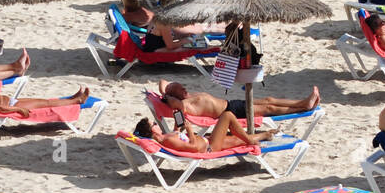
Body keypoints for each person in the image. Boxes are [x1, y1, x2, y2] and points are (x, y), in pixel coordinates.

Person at [158, 79, 319, 120]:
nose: (185, 89)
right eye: (181, 89)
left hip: (232, 104)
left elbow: (162, 82)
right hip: (231, 113)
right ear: (175, 95)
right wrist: (167, 96)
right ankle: (304, 107)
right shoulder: (184, 104)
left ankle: (303, 102)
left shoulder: (188, 97)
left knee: (268, 99)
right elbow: (169, 95)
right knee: (269, 109)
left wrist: (168, 91)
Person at [132, 112, 277, 153]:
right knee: (227, 116)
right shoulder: (167, 141)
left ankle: (265, 135)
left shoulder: (165, 137)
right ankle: (252, 140)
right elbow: (193, 148)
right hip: (208, 148)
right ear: (152, 130)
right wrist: (189, 130)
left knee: (237, 139)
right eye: (154, 124)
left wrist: (177, 127)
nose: (157, 124)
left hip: (207, 141)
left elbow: (179, 138)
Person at [0, 81, 90, 115]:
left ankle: (73, 97)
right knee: (46, 104)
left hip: (13, 100)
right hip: (13, 105)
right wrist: (18, 109)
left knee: (45, 101)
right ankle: (78, 100)